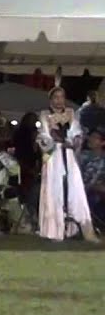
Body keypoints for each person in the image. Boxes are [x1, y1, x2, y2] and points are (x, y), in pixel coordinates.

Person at [37, 86, 98, 242]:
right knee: (54, 188)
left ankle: (82, 228)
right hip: (54, 156)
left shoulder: (71, 113)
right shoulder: (45, 114)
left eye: (62, 97)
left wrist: (72, 141)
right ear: (51, 99)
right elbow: (43, 135)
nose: (59, 100)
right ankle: (54, 230)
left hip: (69, 155)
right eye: (56, 97)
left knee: (74, 187)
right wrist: (52, 139)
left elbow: (77, 133)